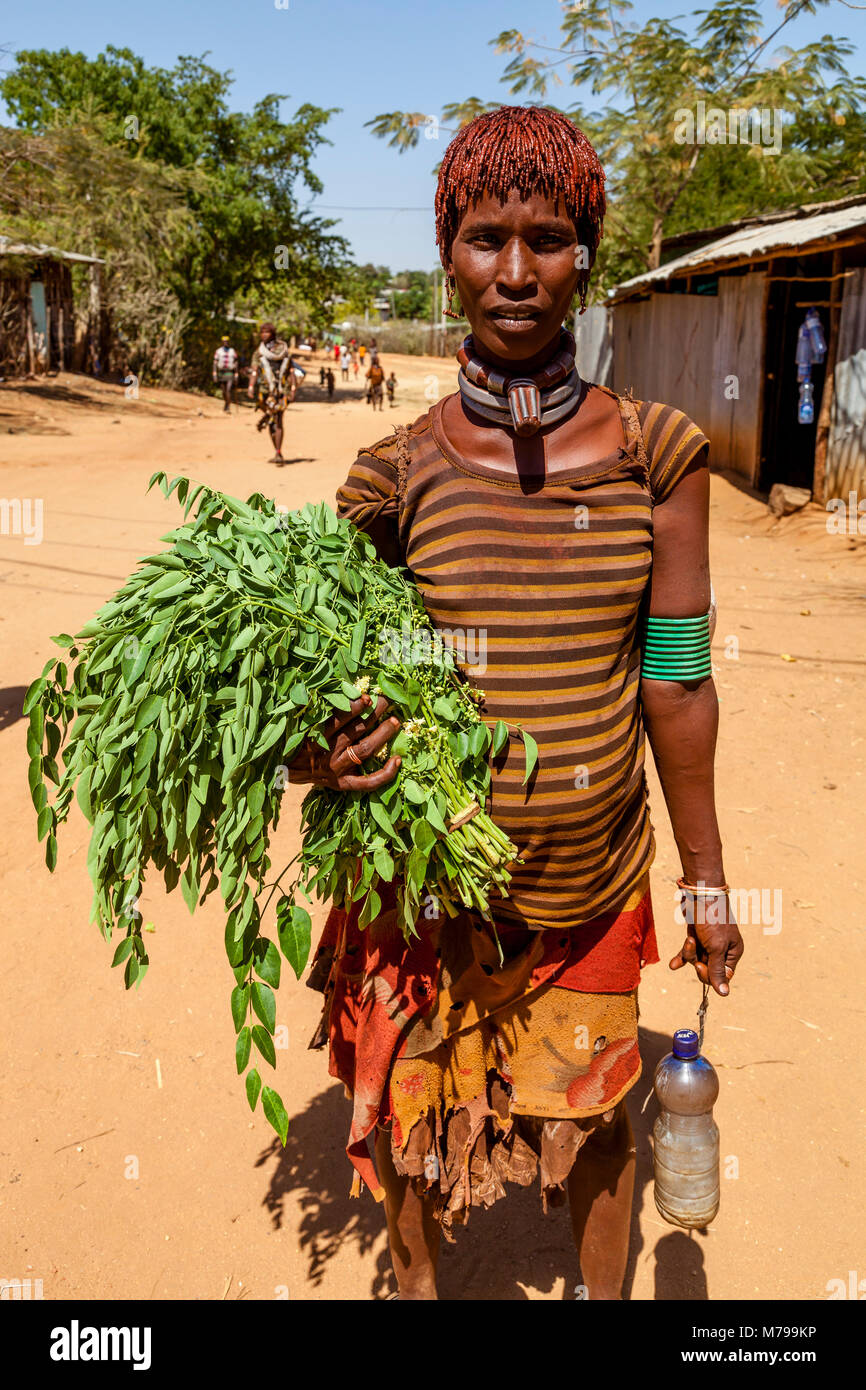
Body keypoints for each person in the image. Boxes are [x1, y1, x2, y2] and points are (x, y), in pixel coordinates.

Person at [288, 106, 745, 1302]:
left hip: (588, 882)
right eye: (484, 236)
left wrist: (702, 879)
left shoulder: (658, 454)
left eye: (545, 238)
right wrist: (321, 753)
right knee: (405, 1119)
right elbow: (318, 680)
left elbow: (676, 677)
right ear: (445, 248)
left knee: (596, 1131)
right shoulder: (393, 474)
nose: (513, 271)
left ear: (583, 251)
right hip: (426, 892)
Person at [247, 322, 292, 465]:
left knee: (278, 420)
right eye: (262, 332)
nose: (264, 335)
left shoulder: (283, 349)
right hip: (265, 392)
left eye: (266, 332)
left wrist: (293, 389)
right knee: (272, 421)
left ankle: (278, 453)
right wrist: (251, 386)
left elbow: (290, 371)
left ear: (272, 333)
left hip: (281, 392)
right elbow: (254, 370)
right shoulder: (259, 352)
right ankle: (277, 450)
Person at [212, 335, 238, 412]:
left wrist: (236, 374)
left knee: (228, 390)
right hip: (221, 372)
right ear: (222, 342)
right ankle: (226, 403)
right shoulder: (218, 351)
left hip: (230, 372)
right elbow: (215, 363)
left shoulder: (232, 351)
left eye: (227, 341)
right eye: (224, 341)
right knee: (223, 391)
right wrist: (214, 373)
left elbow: (236, 362)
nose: (225, 343)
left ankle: (228, 407)